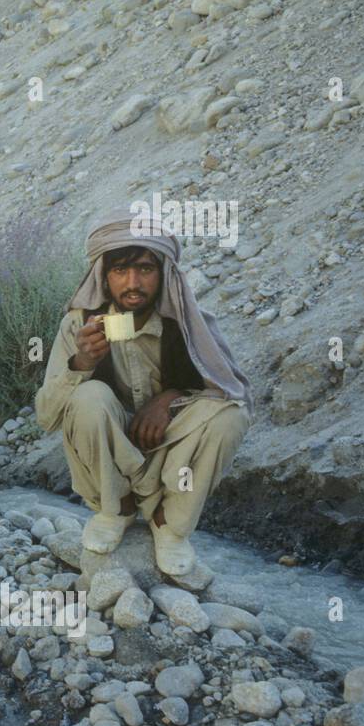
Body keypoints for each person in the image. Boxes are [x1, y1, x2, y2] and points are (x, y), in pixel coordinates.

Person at [33, 208, 251, 576]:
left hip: (169, 460)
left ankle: (171, 525)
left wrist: (170, 399)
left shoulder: (189, 322)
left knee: (231, 415)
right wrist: (81, 364)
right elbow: (47, 416)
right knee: (87, 399)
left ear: (163, 273)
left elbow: (232, 391)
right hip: (111, 466)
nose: (133, 283)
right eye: (120, 270)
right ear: (104, 275)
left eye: (145, 269)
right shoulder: (78, 324)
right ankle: (116, 507)